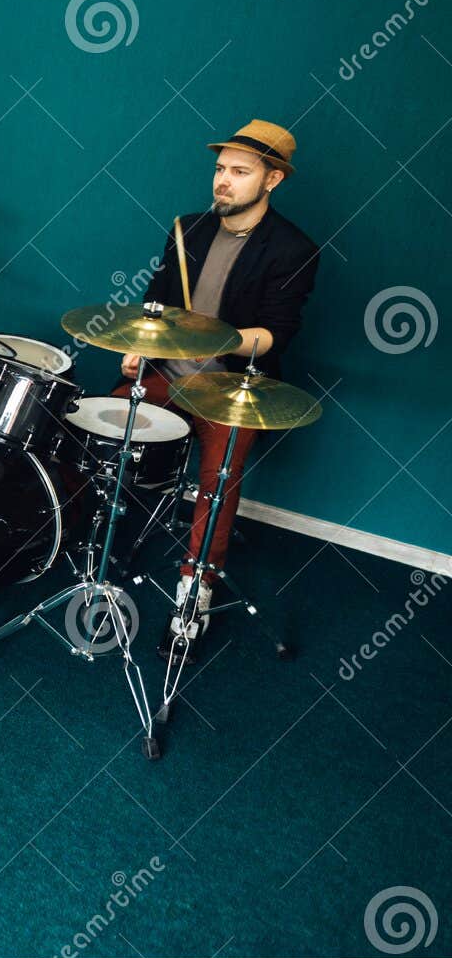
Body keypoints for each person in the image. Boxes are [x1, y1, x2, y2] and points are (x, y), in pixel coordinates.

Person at [117, 120, 319, 659]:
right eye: (219, 169)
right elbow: (156, 302)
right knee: (93, 418)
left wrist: (218, 336)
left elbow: (278, 333)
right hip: (169, 376)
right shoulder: (189, 229)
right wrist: (138, 343)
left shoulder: (292, 249)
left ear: (272, 179)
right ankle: (76, 534)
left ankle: (195, 588)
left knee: (219, 475)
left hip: (233, 387)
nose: (222, 182)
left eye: (239, 171)